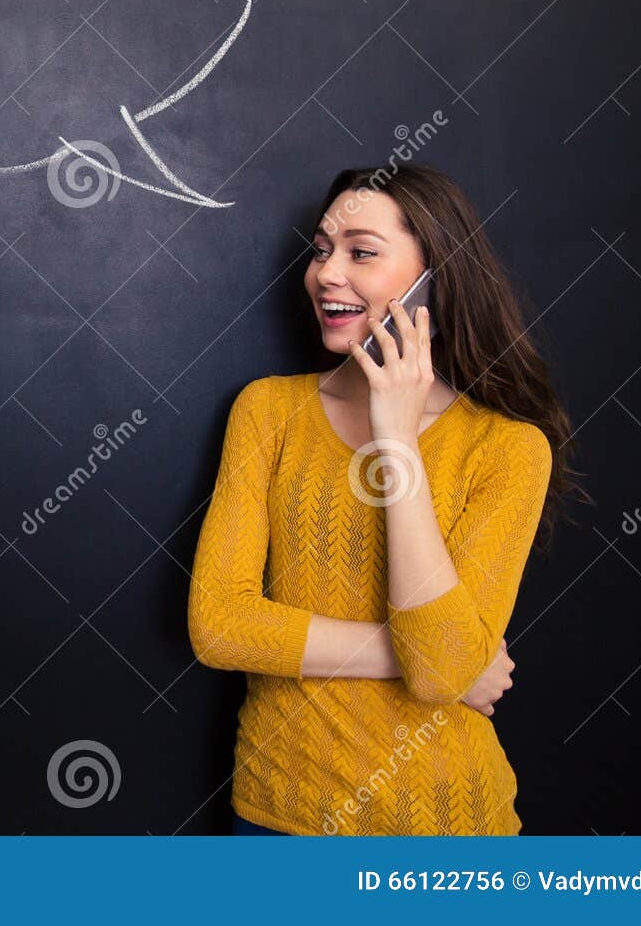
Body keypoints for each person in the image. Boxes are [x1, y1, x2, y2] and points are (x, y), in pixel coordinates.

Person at [187, 163, 581, 836]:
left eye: (361, 252)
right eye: (321, 249)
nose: (325, 274)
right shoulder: (268, 411)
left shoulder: (508, 448)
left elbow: (440, 673)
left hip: (440, 829)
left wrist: (396, 441)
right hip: (274, 815)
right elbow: (220, 624)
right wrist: (438, 658)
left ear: (435, 276)